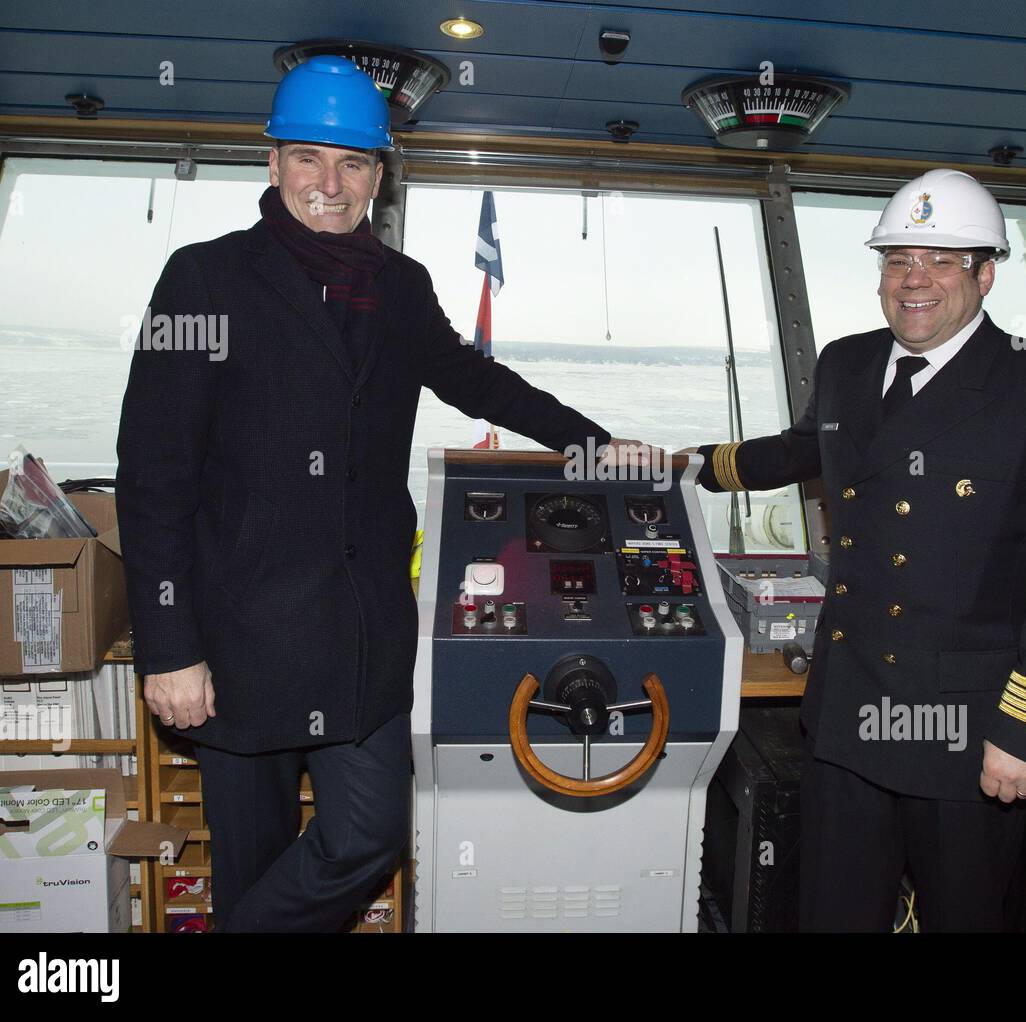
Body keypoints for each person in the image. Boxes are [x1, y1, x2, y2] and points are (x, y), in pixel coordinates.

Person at [115, 55, 645, 931]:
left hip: (359, 635)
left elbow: (478, 382)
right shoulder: (202, 278)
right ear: (274, 159)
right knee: (252, 867)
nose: (331, 183)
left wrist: (592, 443)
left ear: (378, 174)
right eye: (309, 158)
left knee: (367, 835)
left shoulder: (400, 287)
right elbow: (154, 475)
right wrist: (169, 648)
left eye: (353, 162)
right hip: (238, 639)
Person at [688, 168, 1026, 931]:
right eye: (897, 260)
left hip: (968, 730)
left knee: (960, 917)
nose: (913, 280)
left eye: (942, 261)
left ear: (986, 274)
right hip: (847, 708)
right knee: (832, 914)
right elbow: (800, 449)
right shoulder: (847, 363)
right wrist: (691, 465)